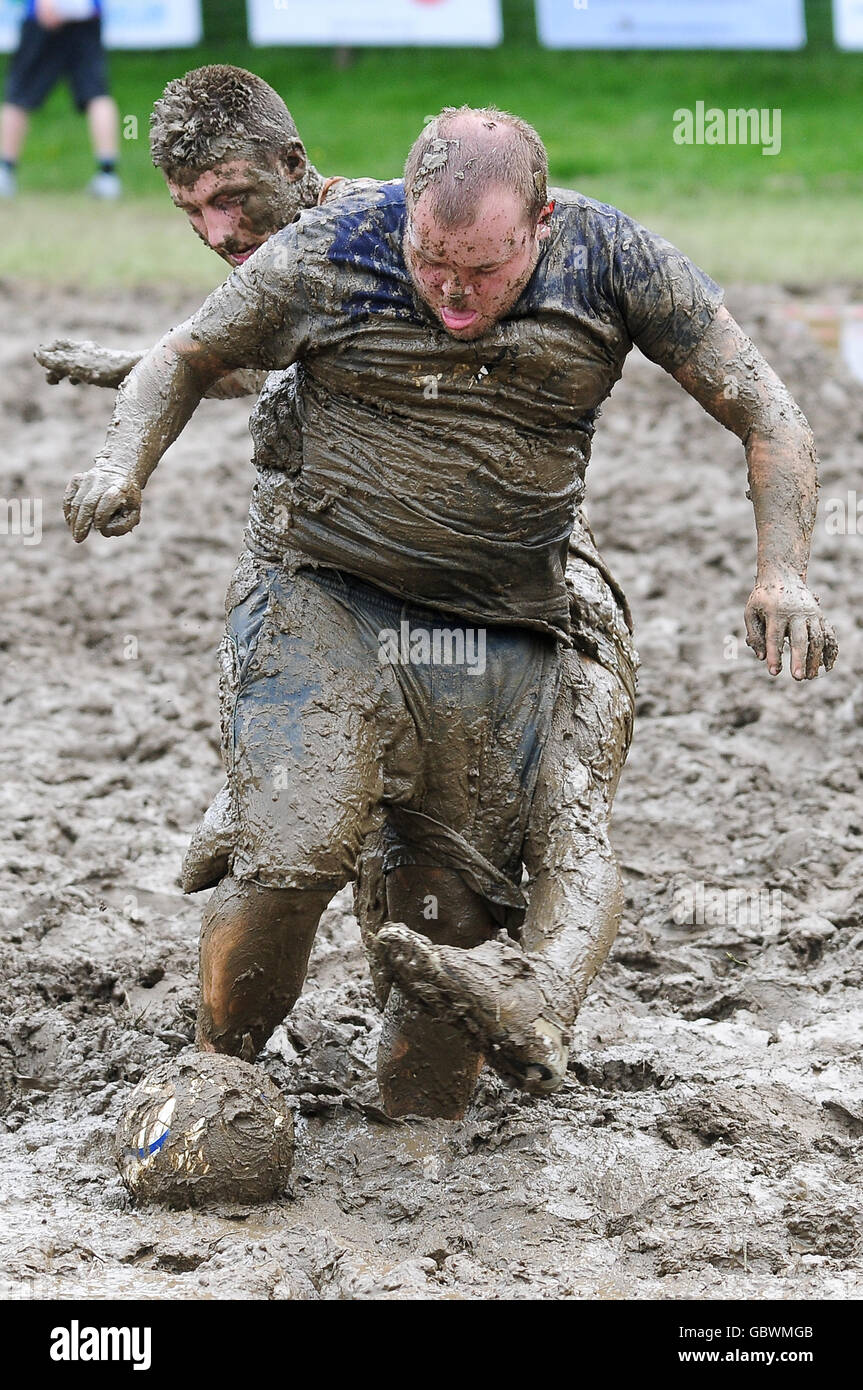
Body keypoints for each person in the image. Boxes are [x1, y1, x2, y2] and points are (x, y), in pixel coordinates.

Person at [62, 99, 835, 1121]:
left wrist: (780, 570)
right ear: (406, 221)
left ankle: (419, 1137)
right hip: (328, 590)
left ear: (542, 226)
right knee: (293, 849)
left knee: (440, 990)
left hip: (496, 624)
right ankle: (218, 1068)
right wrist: (125, 459)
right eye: (432, 263)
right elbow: (190, 355)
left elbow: (764, 409)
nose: (453, 293)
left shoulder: (616, 260)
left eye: (483, 270)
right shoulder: (334, 242)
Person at [0, 0, 120, 199]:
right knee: (96, 94)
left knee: (18, 96)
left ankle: (5, 172)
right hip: (86, 13)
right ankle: (108, 175)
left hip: (46, 13)